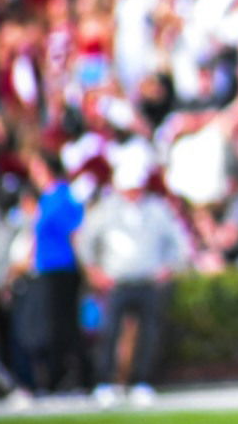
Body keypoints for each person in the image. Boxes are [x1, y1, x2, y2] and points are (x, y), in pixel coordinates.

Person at [78, 151, 191, 407]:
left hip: (148, 281)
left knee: (149, 334)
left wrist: (168, 267)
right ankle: (106, 382)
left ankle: (142, 381)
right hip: (116, 282)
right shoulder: (106, 210)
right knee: (109, 333)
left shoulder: (156, 209)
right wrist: (94, 271)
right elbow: (85, 242)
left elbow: (178, 241)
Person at [26, 153, 86, 392]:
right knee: (52, 326)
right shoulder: (47, 198)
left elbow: (75, 232)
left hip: (62, 268)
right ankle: (58, 377)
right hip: (48, 268)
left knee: (62, 325)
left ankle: (69, 378)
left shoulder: (62, 196)